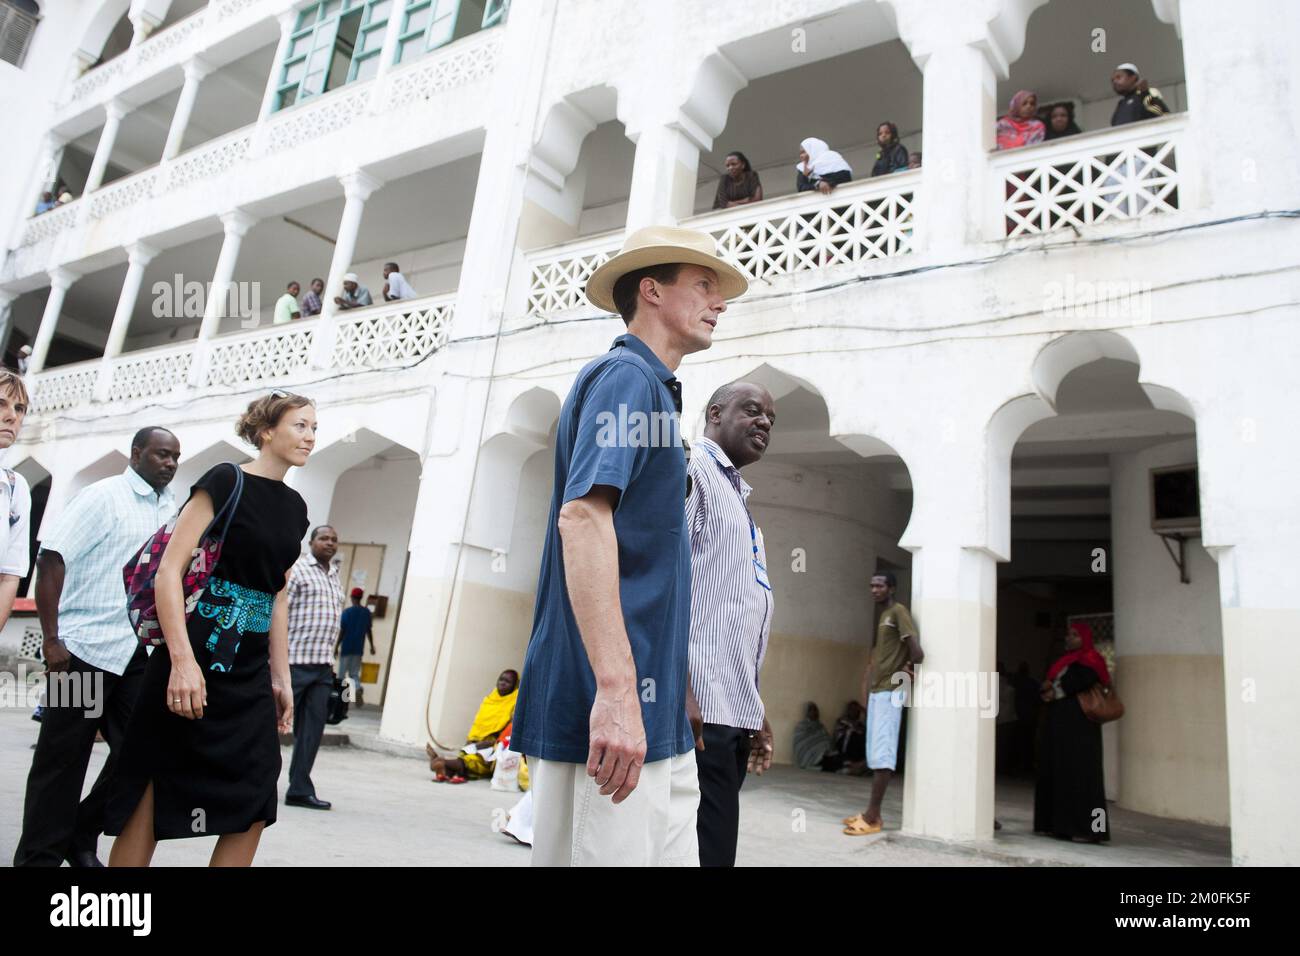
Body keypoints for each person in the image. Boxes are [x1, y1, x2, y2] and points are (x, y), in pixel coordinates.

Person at [511, 224, 747, 867]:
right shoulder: (625, 379)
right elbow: (582, 521)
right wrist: (617, 692)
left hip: (656, 714)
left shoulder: (658, 395)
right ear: (651, 290)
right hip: (606, 708)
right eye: (703, 284)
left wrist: (678, 691)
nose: (718, 301)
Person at [105, 393, 313, 866]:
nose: (310, 436)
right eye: (300, 425)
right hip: (195, 653)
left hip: (250, 669)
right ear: (266, 431)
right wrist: (181, 661)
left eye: (314, 428)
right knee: (152, 790)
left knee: (258, 796)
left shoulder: (297, 508)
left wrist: (280, 676)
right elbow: (168, 572)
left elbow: (277, 595)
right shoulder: (225, 480)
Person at [14, 427, 180, 867]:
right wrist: (52, 638)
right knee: (61, 762)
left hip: (137, 656)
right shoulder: (102, 497)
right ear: (136, 453)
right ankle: (39, 859)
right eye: (162, 455)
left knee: (141, 757)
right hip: (82, 655)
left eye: (175, 457)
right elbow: (52, 557)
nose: (170, 463)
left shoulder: (170, 508)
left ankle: (80, 832)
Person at [686, 380, 777, 867]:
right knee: (698, 850)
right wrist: (677, 686)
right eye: (753, 411)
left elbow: (740, 619)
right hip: (696, 712)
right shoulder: (693, 472)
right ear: (715, 413)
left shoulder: (739, 504)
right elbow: (657, 578)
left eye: (771, 419)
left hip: (729, 713)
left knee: (714, 850)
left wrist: (753, 707)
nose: (764, 422)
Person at [843, 572, 923, 836]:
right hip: (879, 692)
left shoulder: (899, 612)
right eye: (872, 585)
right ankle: (869, 812)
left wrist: (908, 671)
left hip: (891, 691)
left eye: (879, 585)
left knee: (883, 755)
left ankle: (873, 816)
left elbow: (917, 652)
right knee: (874, 753)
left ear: (892, 588)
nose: (874, 589)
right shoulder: (883, 615)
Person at [1033, 622, 1111, 843]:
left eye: (1075, 635)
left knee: (1084, 777)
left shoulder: (1092, 660)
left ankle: (1094, 830)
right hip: (1060, 726)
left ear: (1085, 638)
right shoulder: (1064, 661)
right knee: (1059, 772)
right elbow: (1048, 686)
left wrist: (1053, 690)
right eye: (1068, 634)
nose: (1070, 638)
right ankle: (1059, 826)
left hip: (1081, 729)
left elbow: (1072, 684)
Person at [285, 524, 344, 811]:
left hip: (323, 667)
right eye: (324, 538)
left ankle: (299, 788)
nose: (330, 543)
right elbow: (279, 612)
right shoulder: (297, 571)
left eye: (334, 540)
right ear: (311, 542)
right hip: (294, 662)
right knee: (269, 726)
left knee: (312, 730)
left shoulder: (335, 575)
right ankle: (245, 781)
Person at [425, 669, 520, 783]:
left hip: (493, 746)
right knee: (466, 757)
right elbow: (478, 725)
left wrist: (490, 743)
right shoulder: (489, 699)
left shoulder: (515, 703)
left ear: (514, 686)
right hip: (474, 743)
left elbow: (508, 731)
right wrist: (471, 741)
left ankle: (442, 762)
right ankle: (445, 769)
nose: (502, 683)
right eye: (501, 679)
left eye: (507, 682)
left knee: (472, 761)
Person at [0, 370, 32, 641]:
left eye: (19, 408)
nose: (12, 416)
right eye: (1, 404)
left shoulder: (14, 487)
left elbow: (10, 575)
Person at [335, 586, 374, 705]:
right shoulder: (366, 612)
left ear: (352, 597)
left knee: (341, 675)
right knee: (354, 674)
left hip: (346, 648)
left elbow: (342, 631)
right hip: (358, 649)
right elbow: (369, 630)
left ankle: (342, 699)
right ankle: (357, 688)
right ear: (361, 598)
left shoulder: (347, 612)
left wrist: (336, 646)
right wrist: (372, 646)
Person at [792, 703, 833, 771]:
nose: (815, 712)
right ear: (807, 713)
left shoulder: (821, 726)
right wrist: (819, 750)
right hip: (812, 755)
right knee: (831, 763)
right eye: (812, 710)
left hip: (826, 754)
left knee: (834, 759)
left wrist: (825, 749)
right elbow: (801, 744)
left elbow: (826, 740)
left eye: (816, 710)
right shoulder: (801, 726)